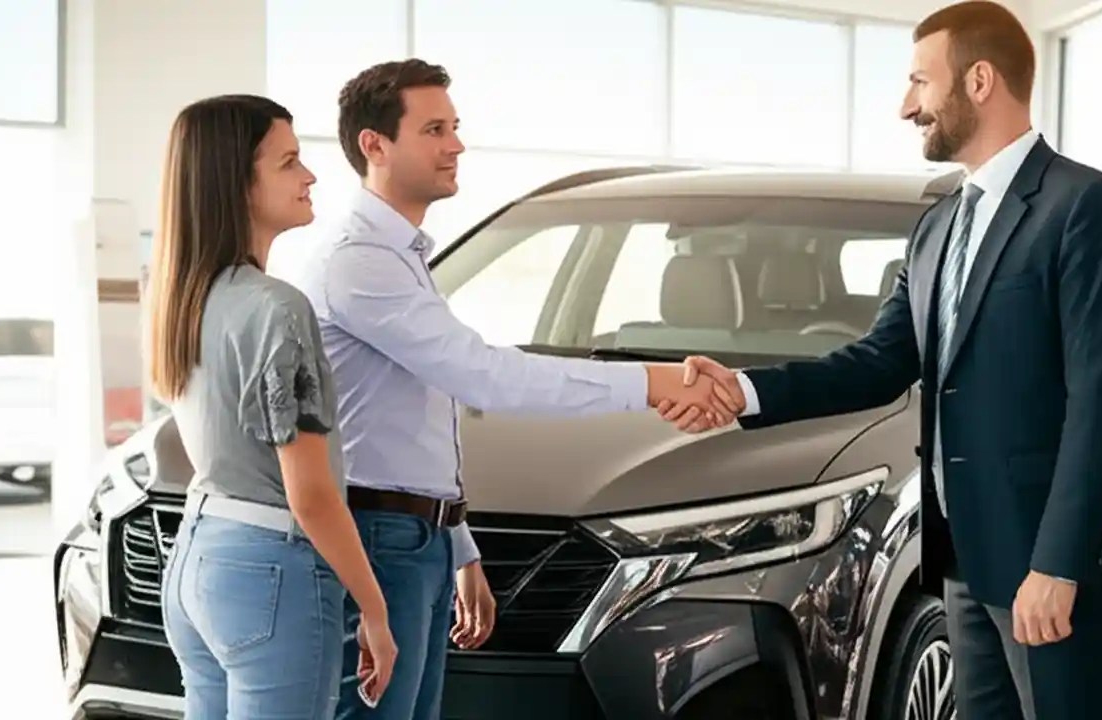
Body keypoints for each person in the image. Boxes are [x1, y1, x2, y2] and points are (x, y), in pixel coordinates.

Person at [661, 2, 1102, 718]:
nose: (905, 106)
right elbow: (880, 360)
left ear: (979, 80)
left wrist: (1059, 565)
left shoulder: (1089, 207)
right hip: (966, 563)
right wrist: (743, 390)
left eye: (921, 82)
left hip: (1054, 571)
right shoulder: (937, 227)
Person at [270, 60, 735, 720]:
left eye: (454, 127)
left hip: (415, 542)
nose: (456, 144)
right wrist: (655, 382)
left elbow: (421, 418)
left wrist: (457, 544)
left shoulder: (402, 257)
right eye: (434, 128)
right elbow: (481, 374)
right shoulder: (358, 260)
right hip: (378, 541)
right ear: (374, 144)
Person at [148, 94, 399, 719]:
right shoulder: (278, 308)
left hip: (197, 561)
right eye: (289, 162)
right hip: (270, 569)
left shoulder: (181, 299)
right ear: (236, 182)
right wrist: (374, 606)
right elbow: (310, 494)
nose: (309, 176)